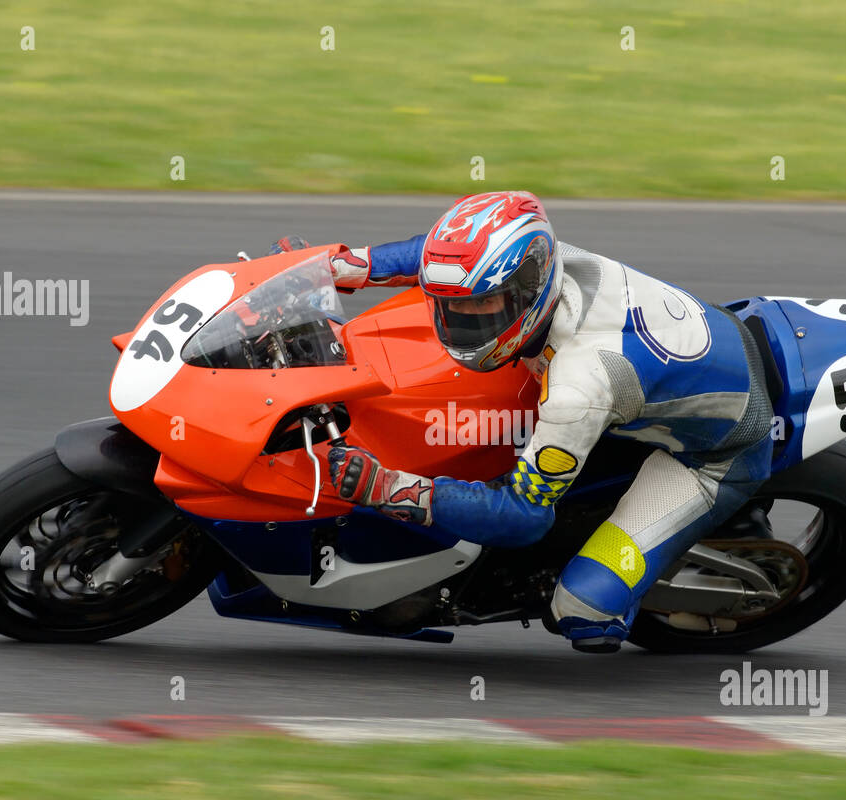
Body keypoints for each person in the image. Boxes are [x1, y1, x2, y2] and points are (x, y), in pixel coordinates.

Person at [323, 191, 773, 653]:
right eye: (453, 307)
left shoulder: (579, 387)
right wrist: (339, 266)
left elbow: (524, 517)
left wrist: (388, 490)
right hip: (682, 355)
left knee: (583, 608)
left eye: (483, 307)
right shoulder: (538, 260)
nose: (461, 320)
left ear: (526, 293)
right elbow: (434, 256)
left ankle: (643, 593)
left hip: (712, 455)